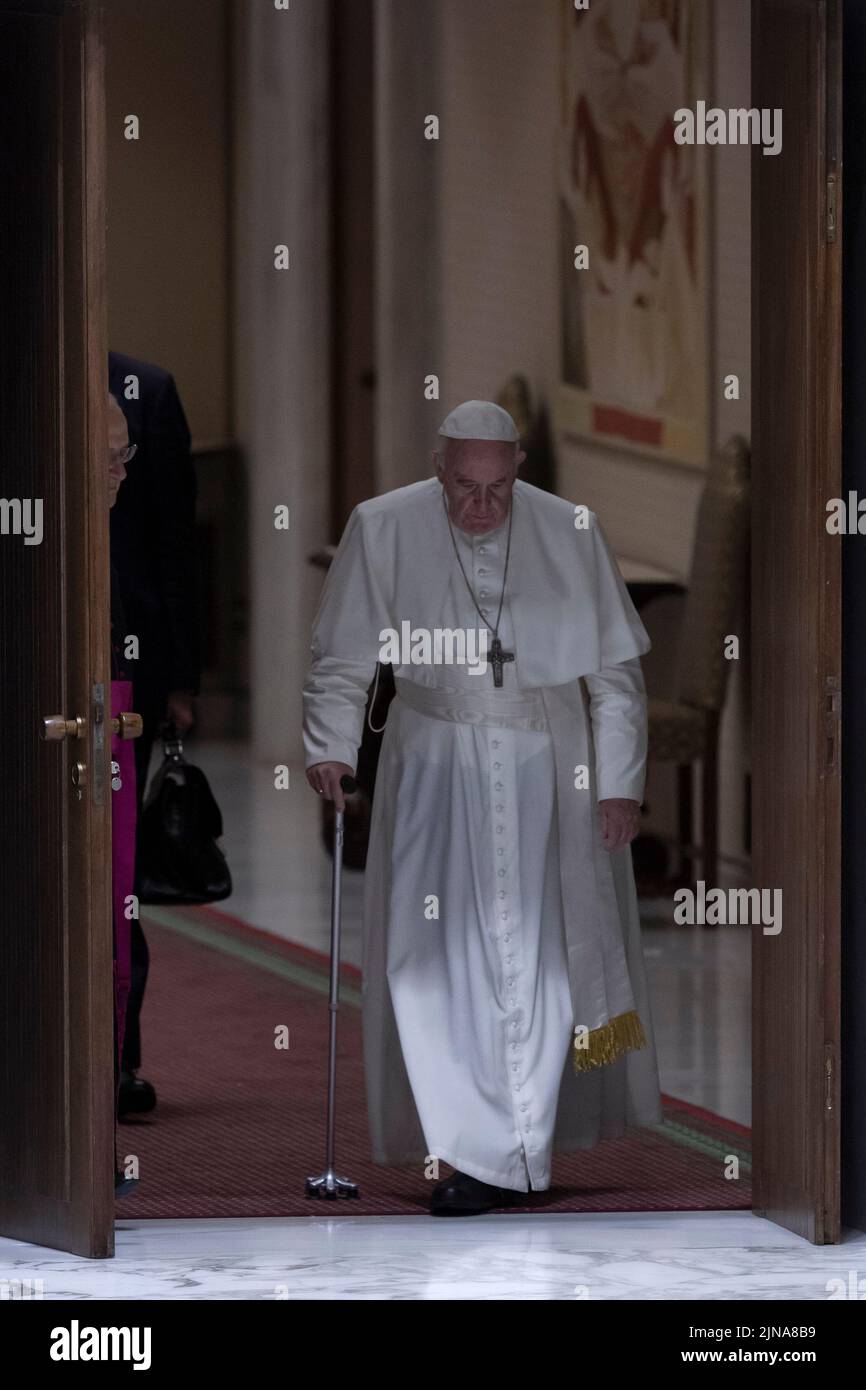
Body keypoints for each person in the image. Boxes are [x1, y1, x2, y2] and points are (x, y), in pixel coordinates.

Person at [303, 399, 662, 1216]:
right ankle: (468, 1144)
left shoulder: (570, 529)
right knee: (424, 961)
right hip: (429, 759)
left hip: (546, 766)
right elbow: (342, 654)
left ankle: (504, 1160)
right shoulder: (383, 525)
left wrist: (618, 786)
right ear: (440, 470)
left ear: (519, 468)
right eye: (465, 487)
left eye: (498, 488)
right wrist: (329, 744)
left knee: (535, 958)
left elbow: (615, 679)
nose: (480, 507)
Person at [108, 352, 200, 1118]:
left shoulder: (146, 390)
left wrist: (179, 680)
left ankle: (113, 1055)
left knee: (113, 870)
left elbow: (176, 540)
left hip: (124, 660)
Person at [107, 392, 141, 1196]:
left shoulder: (112, 522)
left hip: (113, 725)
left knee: (113, 926)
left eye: (125, 455)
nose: (117, 472)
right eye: (103, 456)